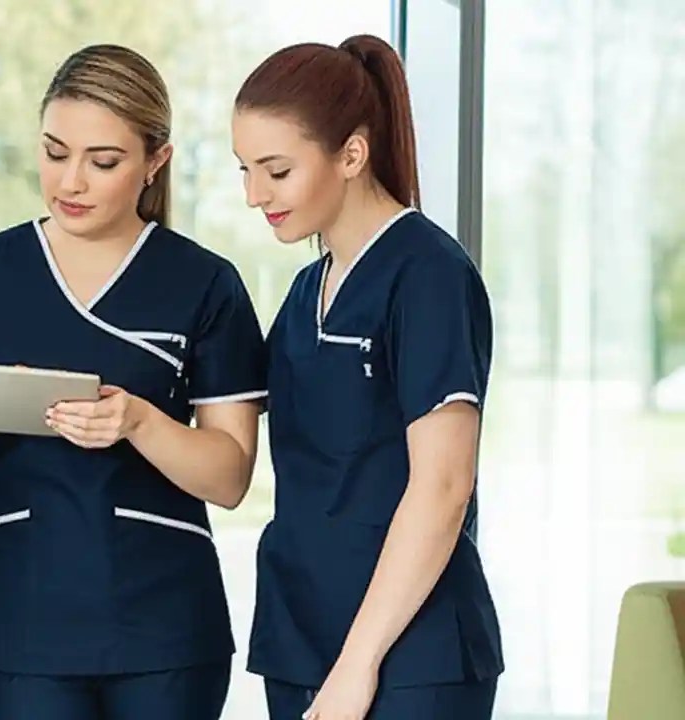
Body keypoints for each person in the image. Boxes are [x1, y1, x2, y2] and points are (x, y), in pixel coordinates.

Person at [0, 44, 268, 720]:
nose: (70, 182)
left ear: (155, 161)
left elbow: (229, 478)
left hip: (164, 628)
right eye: (54, 152)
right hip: (14, 621)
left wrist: (140, 422)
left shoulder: (205, 284)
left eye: (102, 162)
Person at [231, 34, 504, 720]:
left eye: (276, 171)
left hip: (408, 658)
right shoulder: (306, 293)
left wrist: (359, 664)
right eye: (245, 171)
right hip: (300, 642)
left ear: (352, 154)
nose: (255, 195)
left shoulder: (429, 275)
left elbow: (443, 487)